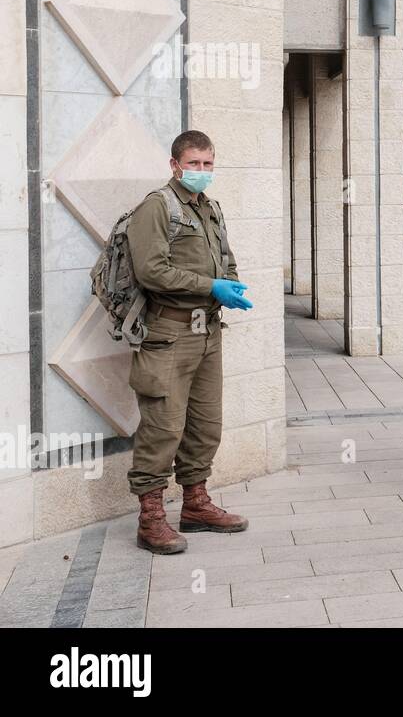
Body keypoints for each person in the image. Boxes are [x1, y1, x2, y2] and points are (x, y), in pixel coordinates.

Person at [126, 130, 253, 554]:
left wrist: (229, 285)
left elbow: (226, 259)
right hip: (167, 334)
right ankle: (151, 519)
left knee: (205, 425)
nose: (201, 171)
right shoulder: (157, 207)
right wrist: (210, 285)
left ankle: (196, 505)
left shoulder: (210, 209)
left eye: (208, 164)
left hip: (207, 333)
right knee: (162, 428)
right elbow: (151, 271)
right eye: (194, 164)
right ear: (175, 164)